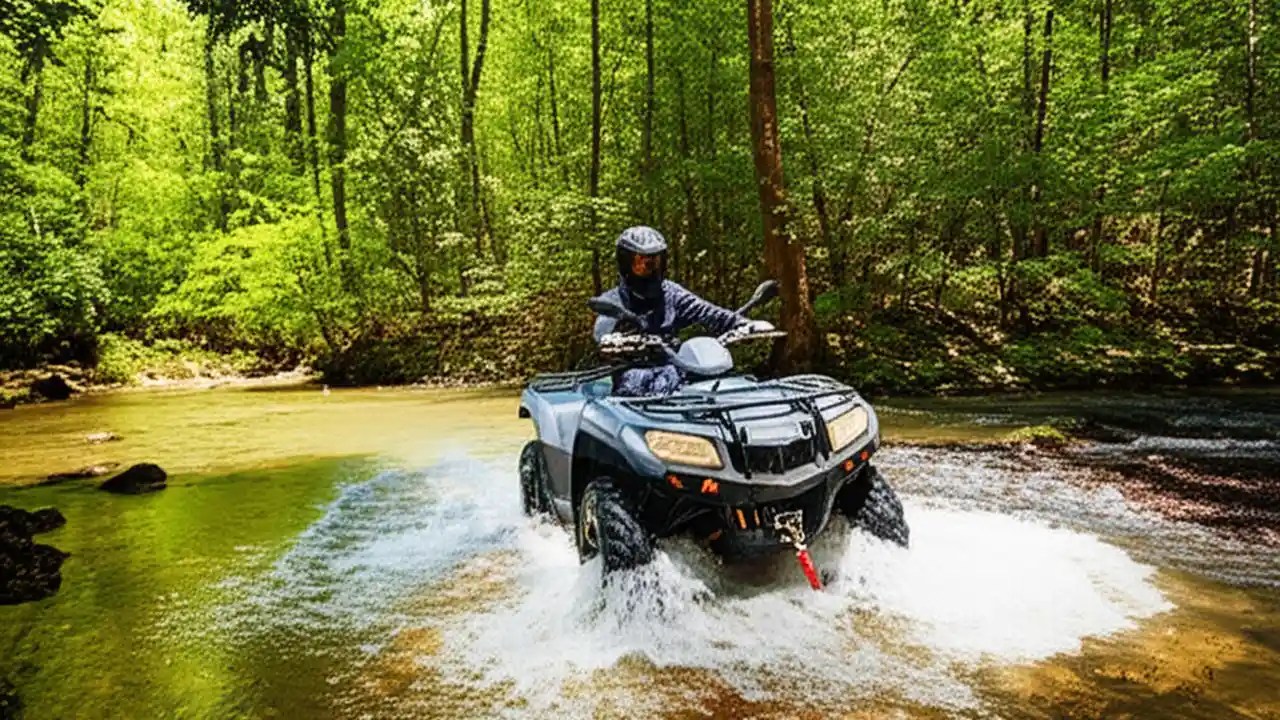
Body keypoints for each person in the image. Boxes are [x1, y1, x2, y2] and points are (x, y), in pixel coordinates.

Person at [593, 226, 757, 396]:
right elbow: (602, 333)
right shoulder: (613, 302)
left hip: (676, 371)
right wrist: (616, 342)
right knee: (636, 379)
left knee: (708, 381)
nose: (649, 267)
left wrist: (743, 324)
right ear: (626, 264)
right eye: (641, 262)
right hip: (634, 379)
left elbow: (707, 312)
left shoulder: (671, 293)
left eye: (654, 261)